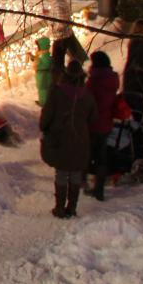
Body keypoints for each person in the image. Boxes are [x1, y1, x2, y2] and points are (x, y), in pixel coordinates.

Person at [41, 60, 95, 218]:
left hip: (60, 137)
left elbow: (47, 115)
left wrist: (45, 127)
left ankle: (59, 208)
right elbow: (93, 116)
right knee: (76, 172)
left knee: (62, 172)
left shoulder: (57, 92)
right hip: (80, 138)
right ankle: (72, 207)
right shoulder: (87, 95)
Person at [86, 50, 123, 201]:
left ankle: (82, 182)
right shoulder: (112, 79)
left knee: (87, 154)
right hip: (106, 123)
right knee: (101, 157)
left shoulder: (94, 82)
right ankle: (99, 189)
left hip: (92, 123)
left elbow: (87, 100)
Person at [34, 36, 55, 107]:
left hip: (43, 75)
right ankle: (44, 101)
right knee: (43, 90)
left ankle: (44, 103)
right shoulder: (44, 54)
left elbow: (44, 64)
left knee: (43, 90)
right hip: (44, 75)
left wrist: (38, 63)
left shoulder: (44, 56)